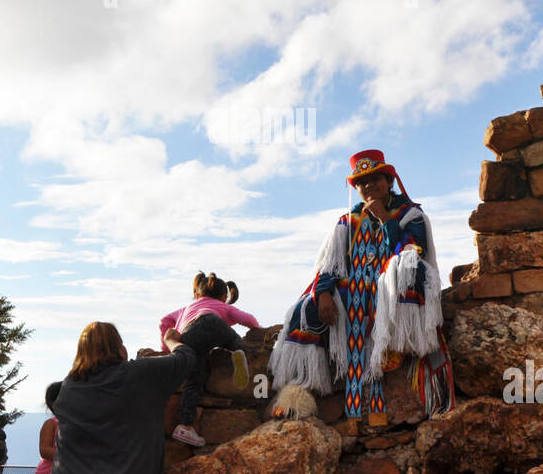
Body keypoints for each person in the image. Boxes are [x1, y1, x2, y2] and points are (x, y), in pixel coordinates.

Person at [269, 149, 455, 426]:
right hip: (351, 292)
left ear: (388, 181)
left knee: (408, 269)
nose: (368, 186)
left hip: (390, 291)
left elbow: (414, 251)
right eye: (361, 182)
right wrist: (322, 296)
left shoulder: (410, 215)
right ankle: (298, 391)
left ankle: (398, 341)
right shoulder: (347, 222)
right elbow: (330, 265)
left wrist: (385, 220)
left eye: (374, 179)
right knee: (305, 310)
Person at [47, 321, 197, 474]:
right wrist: (171, 340)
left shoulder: (68, 389)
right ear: (119, 348)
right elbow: (186, 358)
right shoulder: (138, 375)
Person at [159, 271, 260, 447]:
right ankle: (237, 352)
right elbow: (248, 319)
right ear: (224, 296)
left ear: (198, 293)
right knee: (232, 339)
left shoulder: (186, 308)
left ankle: (185, 426)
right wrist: (258, 330)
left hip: (188, 337)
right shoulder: (222, 306)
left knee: (194, 380)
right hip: (212, 323)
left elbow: (164, 321)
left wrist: (166, 346)